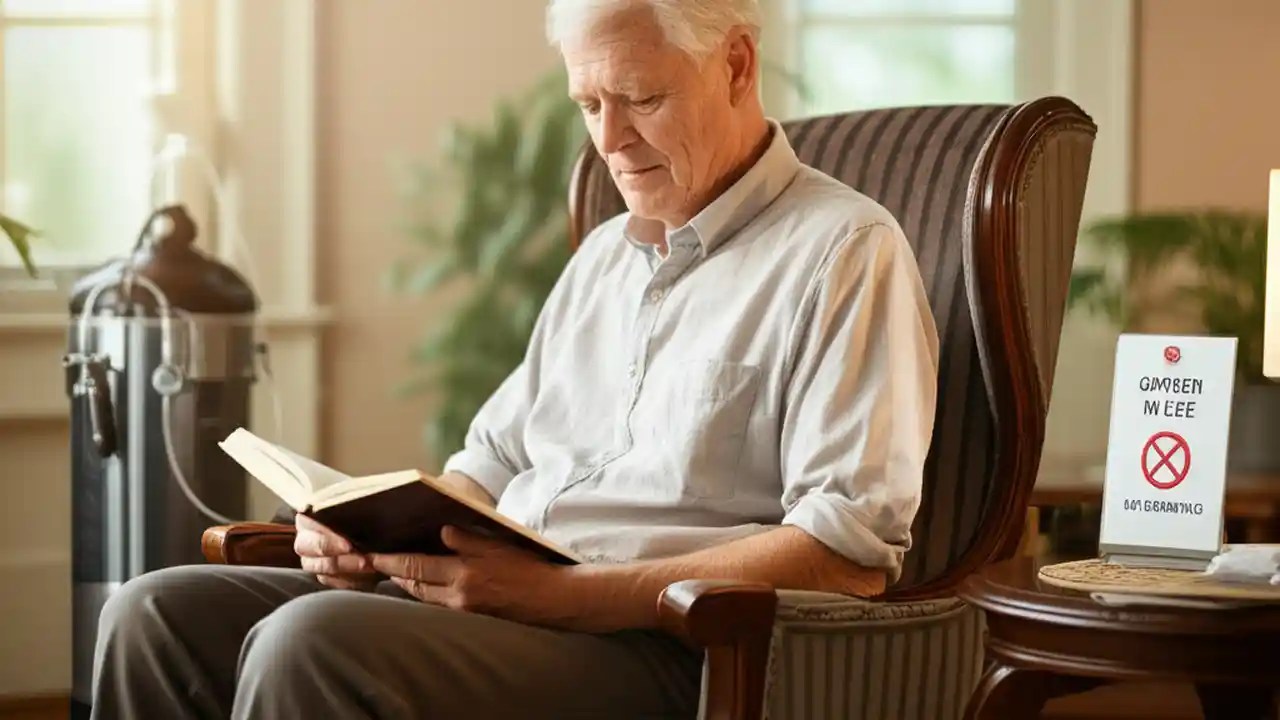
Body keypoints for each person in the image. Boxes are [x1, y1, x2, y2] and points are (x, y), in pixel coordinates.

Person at [90, 0, 939, 717]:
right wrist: (370, 534)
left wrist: (573, 596)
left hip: (663, 643)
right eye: (587, 104)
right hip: (504, 607)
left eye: (640, 97)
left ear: (738, 65)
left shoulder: (846, 251)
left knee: (308, 643)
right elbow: (489, 465)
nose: (610, 138)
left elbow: (846, 550)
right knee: (149, 612)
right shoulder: (606, 255)